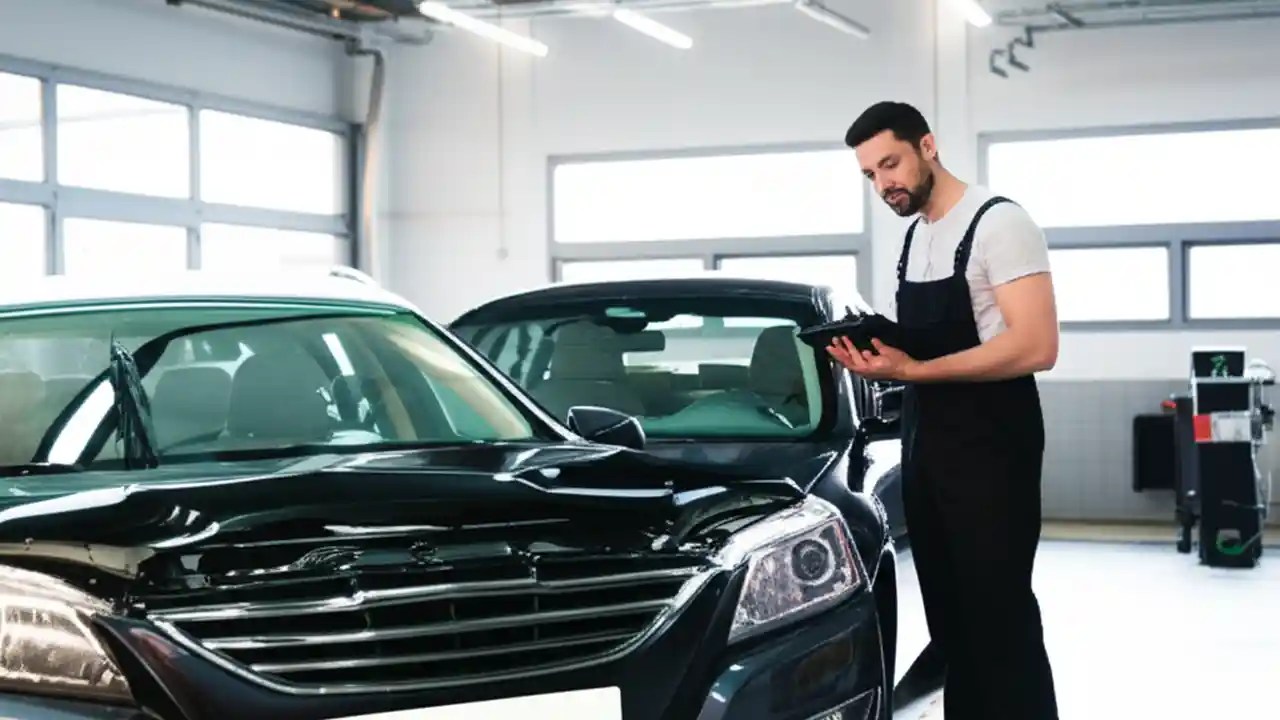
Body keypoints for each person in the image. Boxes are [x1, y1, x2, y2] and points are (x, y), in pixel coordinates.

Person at [829, 101, 1060, 720]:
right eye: (870, 176)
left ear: (927, 146)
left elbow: (1037, 345)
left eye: (891, 164)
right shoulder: (917, 236)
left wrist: (913, 371)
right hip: (927, 445)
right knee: (952, 621)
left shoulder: (998, 223)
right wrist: (876, 350)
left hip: (992, 450)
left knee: (999, 616)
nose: (884, 184)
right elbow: (928, 344)